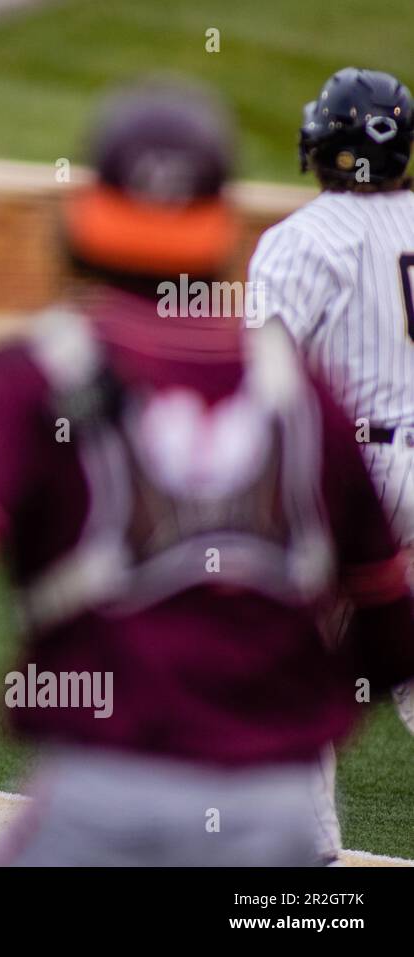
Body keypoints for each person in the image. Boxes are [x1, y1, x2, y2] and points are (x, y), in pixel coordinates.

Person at [0, 83, 414, 866]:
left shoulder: (27, 376)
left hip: (104, 807)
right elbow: (389, 622)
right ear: (216, 229)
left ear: (84, 224)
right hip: (270, 822)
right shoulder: (304, 397)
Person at [249, 66, 414, 863]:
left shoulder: (302, 240)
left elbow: (265, 387)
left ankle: (307, 874)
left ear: (323, 143)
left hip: (358, 482)